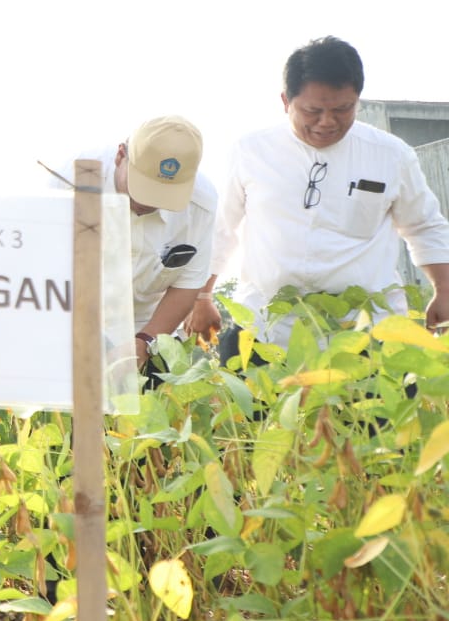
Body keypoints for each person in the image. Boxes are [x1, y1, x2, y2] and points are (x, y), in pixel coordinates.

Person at [189, 36, 449, 349]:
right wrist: (202, 296)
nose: (327, 122)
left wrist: (444, 289)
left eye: (343, 109)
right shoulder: (251, 151)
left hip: (367, 329)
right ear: (286, 101)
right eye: (312, 111)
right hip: (268, 327)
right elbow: (222, 229)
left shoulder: (391, 154)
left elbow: (423, 226)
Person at [53, 116, 216, 379]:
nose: (147, 203)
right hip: (66, 327)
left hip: (148, 330)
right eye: (141, 188)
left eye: (162, 194)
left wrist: (143, 343)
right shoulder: (69, 182)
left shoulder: (202, 203)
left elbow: (187, 284)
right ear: (120, 155)